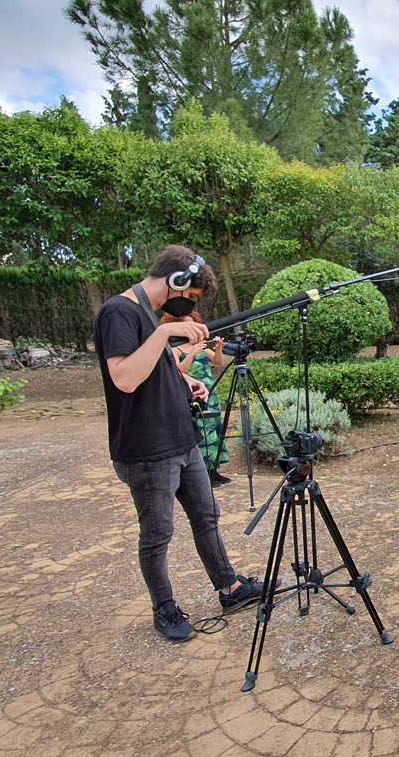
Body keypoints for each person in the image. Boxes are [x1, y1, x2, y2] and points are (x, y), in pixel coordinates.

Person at [94, 245, 263, 642]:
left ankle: (230, 589)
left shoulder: (146, 316)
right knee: (158, 533)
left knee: (207, 516)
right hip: (147, 448)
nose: (187, 308)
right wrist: (167, 332)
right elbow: (124, 377)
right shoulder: (119, 312)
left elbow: (153, 365)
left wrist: (185, 379)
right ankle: (165, 608)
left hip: (181, 439)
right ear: (176, 281)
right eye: (189, 298)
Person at [162, 311, 232, 487]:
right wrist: (192, 353)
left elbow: (218, 361)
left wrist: (218, 348)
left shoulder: (201, 345)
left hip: (210, 391)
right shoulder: (174, 349)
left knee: (214, 430)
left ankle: (214, 470)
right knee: (201, 431)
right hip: (192, 394)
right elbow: (179, 371)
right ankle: (203, 474)